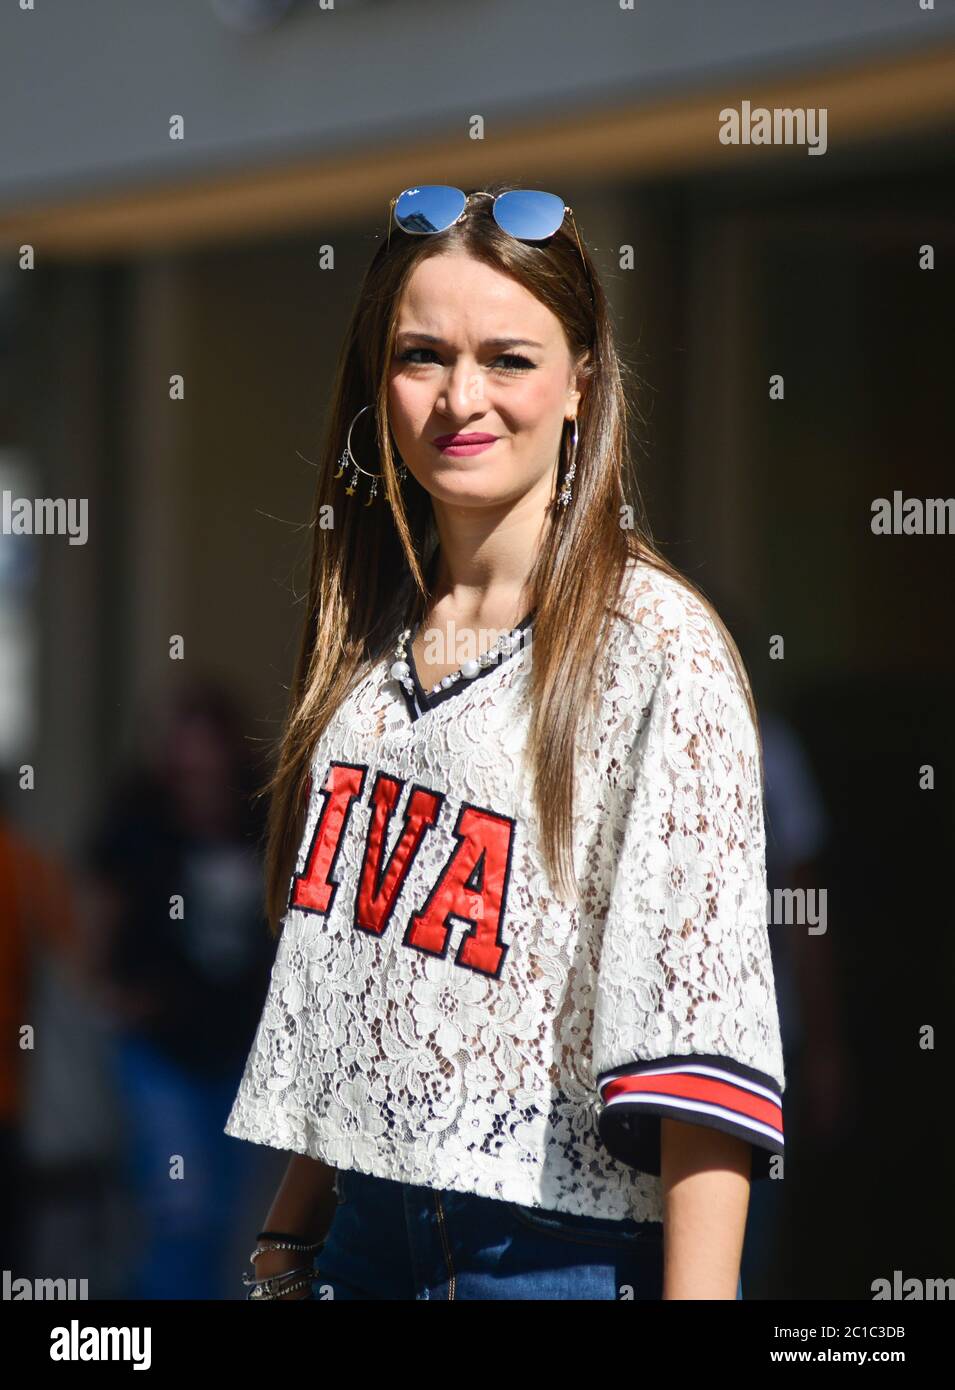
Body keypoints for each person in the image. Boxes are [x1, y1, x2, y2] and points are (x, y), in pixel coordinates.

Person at [224, 183, 787, 1301]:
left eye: (508, 358)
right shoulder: (367, 645)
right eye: (422, 355)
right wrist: (290, 1238)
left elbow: (702, 1030)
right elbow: (368, 980)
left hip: (548, 1253)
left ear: (581, 380)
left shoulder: (655, 646)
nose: (459, 398)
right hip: (359, 1246)